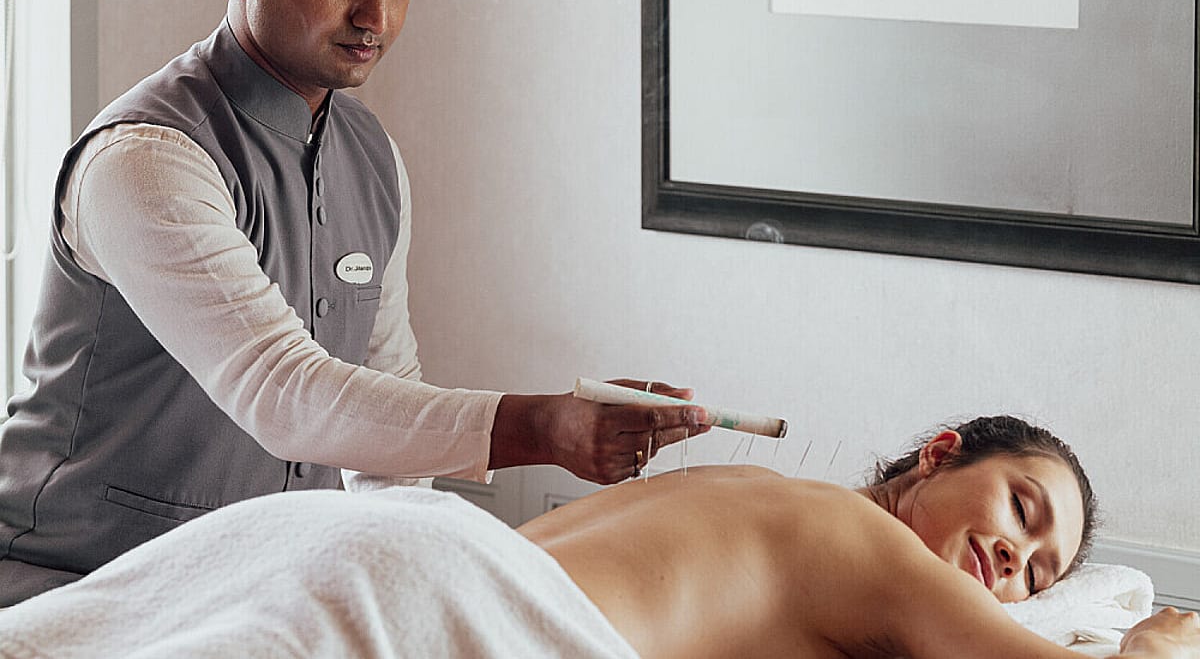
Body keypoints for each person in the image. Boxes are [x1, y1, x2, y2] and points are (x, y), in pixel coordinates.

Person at [0, 0, 707, 606]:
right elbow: (282, 392)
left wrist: (411, 579)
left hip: (258, 600)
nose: (378, 17)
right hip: (71, 590)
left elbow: (388, 405)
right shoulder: (144, 160)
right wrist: (545, 426)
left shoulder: (374, 159)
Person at [0, 415, 1193, 658]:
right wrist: (1158, 638)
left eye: (1040, 571)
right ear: (939, 451)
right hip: (458, 598)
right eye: (1020, 510)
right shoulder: (868, 551)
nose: (1016, 564)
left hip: (349, 537)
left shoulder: (757, 491)